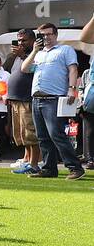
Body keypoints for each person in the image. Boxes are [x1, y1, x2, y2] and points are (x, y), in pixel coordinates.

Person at [20, 23, 84, 179]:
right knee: (42, 137)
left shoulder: (65, 50)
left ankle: (75, 167)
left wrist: (71, 88)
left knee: (57, 134)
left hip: (53, 98)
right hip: (37, 99)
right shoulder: (39, 53)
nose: (46, 37)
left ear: (56, 35)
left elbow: (73, 69)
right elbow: (24, 68)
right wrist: (35, 50)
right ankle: (49, 168)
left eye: (49, 34)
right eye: (42, 35)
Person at [5, 28, 41, 175]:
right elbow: (5, 68)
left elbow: (31, 69)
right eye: (19, 40)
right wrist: (13, 55)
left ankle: (34, 163)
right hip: (15, 98)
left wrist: (24, 54)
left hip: (27, 98)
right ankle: (26, 159)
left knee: (30, 133)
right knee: (20, 134)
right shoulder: (16, 55)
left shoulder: (37, 53)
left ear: (32, 40)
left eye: (24, 40)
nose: (20, 43)